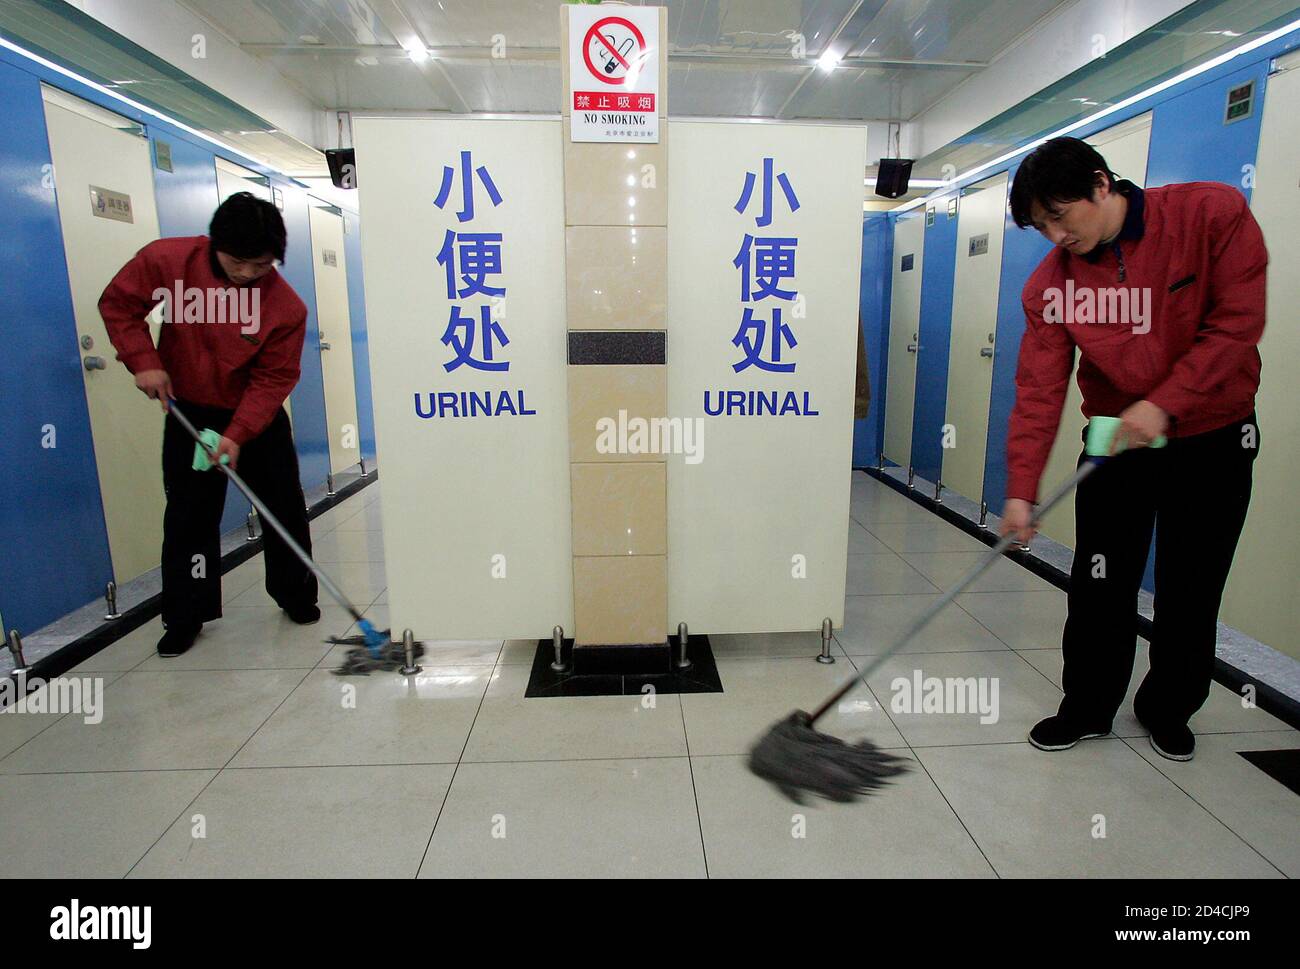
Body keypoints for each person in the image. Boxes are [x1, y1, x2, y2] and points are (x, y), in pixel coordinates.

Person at [1002, 137, 1266, 761]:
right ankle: (1088, 707)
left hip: (1214, 435)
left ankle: (1168, 706)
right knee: (1099, 582)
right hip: (1114, 441)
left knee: (1191, 585)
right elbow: (1038, 392)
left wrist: (1166, 401)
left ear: (1101, 184)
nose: (1054, 236)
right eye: (1040, 227)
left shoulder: (1211, 215)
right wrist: (1021, 491)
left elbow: (1237, 322)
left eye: (1058, 216)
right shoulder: (1050, 286)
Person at [99, 191, 319, 657]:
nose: (246, 274)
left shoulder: (286, 307)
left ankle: (295, 593)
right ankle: (186, 614)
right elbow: (119, 305)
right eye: (238, 261)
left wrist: (238, 435)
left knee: (281, 508)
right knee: (189, 517)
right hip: (190, 412)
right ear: (214, 243)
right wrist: (143, 360)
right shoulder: (168, 261)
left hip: (255, 418)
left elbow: (274, 377)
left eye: (260, 266)